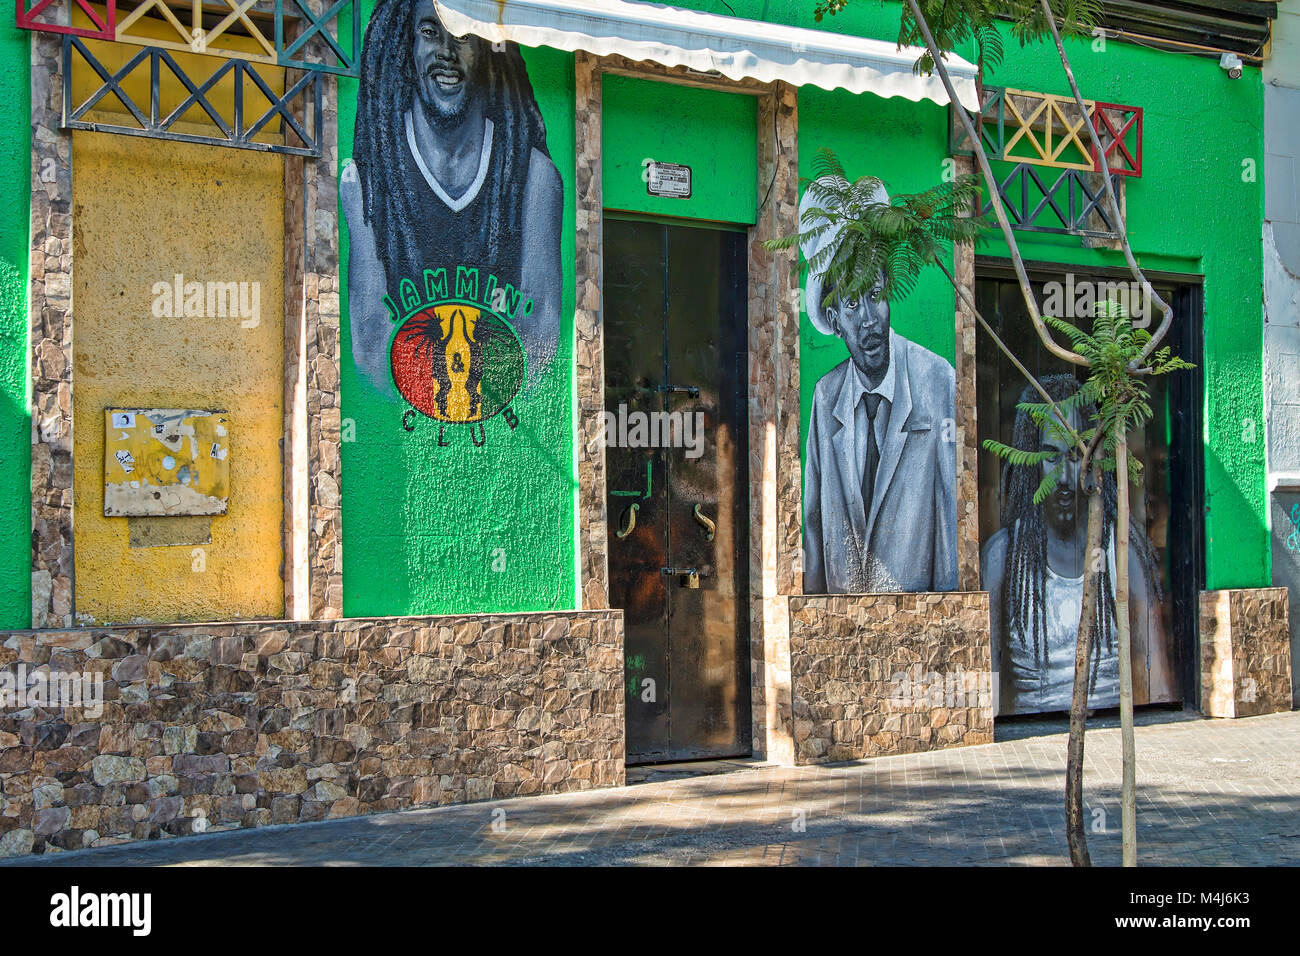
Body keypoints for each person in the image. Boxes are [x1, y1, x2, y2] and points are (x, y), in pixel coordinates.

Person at [341, 0, 561, 398]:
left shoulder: (535, 179)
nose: (446, 51)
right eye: (429, 32)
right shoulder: (365, 183)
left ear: (487, 54)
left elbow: (542, 337)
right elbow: (371, 346)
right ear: (405, 49)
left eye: (462, 35)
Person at [980, 374, 1173, 715]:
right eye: (1051, 457)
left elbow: (1157, 682)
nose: (1066, 479)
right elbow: (988, 698)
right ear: (1030, 463)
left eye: (1074, 456)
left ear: (1092, 460)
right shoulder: (1003, 557)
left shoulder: (1123, 548)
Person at [800, 176, 958, 594]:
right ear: (834, 320)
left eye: (876, 294)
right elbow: (813, 523)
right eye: (852, 304)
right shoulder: (825, 395)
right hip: (843, 623)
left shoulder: (935, 379)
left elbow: (949, 515)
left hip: (916, 622)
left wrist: (943, 618)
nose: (869, 319)